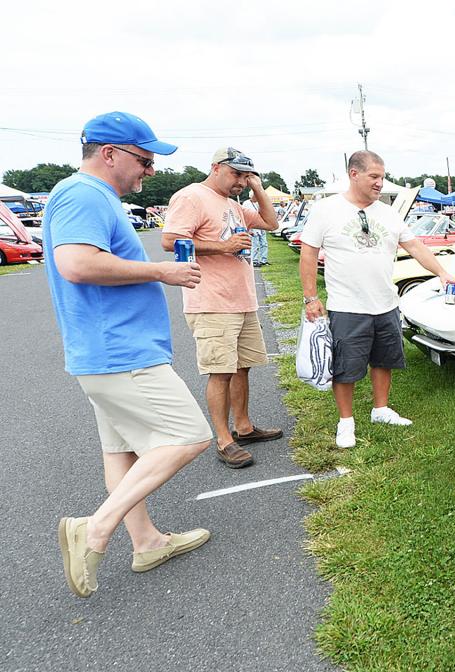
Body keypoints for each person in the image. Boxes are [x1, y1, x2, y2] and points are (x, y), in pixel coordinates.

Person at [44, 112, 213, 598]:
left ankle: (147, 542)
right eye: (144, 159)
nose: (151, 170)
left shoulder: (89, 196)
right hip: (120, 350)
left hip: (103, 351)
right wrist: (161, 272)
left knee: (122, 450)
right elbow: (76, 264)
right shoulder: (84, 194)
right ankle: (95, 529)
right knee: (188, 435)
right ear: (109, 153)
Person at [299, 150, 455, 448]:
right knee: (346, 366)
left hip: (386, 303)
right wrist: (311, 297)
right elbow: (308, 252)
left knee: (384, 359)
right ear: (353, 174)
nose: (379, 183)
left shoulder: (387, 213)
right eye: (374, 177)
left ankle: (381, 409)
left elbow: (414, 246)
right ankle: (345, 422)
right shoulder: (327, 210)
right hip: (347, 306)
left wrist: (442, 272)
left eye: (382, 178)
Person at [161, 147, 282, 469]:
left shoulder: (234, 204)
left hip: (241, 299)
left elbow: (271, 223)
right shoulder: (192, 196)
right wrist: (223, 247)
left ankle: (243, 427)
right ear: (216, 168)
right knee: (220, 371)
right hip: (211, 301)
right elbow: (171, 240)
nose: (241, 181)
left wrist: (257, 188)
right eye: (236, 174)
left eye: (246, 175)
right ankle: (223, 439)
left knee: (243, 366)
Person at [241, 196, 270, 266]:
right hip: (253, 227)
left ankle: (264, 260)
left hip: (261, 227)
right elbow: (244, 217)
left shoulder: (258, 203)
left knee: (264, 244)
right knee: (255, 244)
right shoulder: (246, 203)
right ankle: (254, 260)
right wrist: (249, 229)